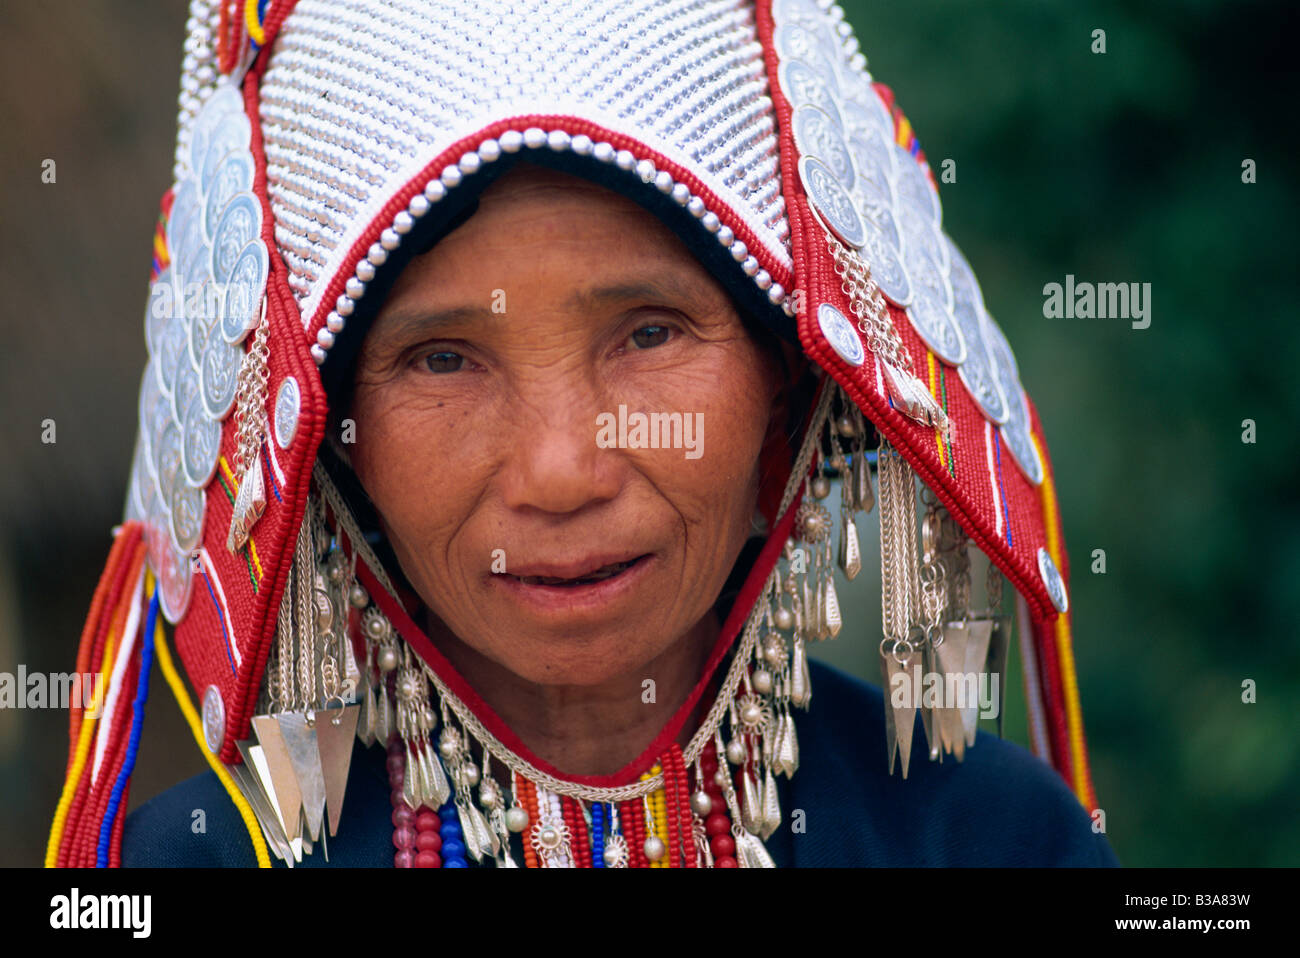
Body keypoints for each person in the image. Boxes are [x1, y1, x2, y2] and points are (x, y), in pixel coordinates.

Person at [48, 0, 1116, 868]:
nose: (560, 471)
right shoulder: (197, 863)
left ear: (787, 392)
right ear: (333, 438)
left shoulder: (987, 840)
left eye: (648, 333)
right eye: (442, 359)